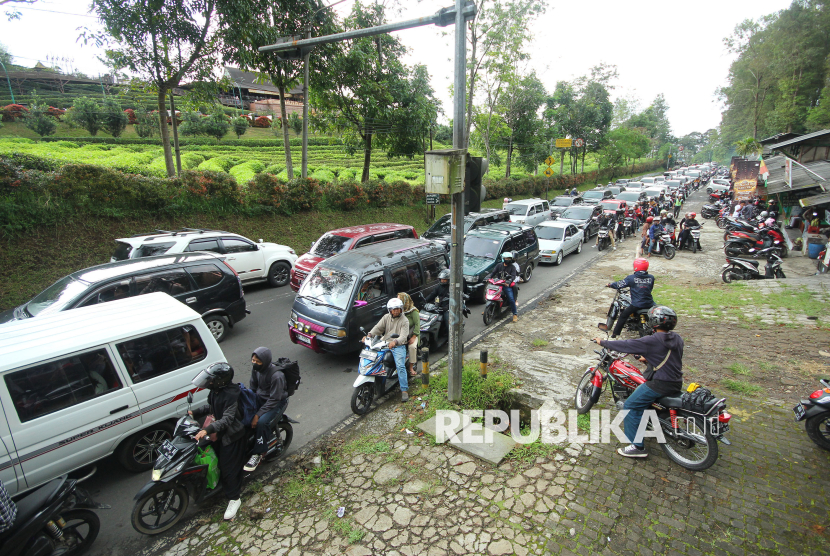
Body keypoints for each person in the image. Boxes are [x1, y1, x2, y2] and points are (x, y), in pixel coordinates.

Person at [592, 306, 683, 459]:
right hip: (676, 381)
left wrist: (603, 342)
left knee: (630, 406)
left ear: (653, 322)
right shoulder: (677, 338)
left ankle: (637, 447)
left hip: (660, 383)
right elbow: (670, 357)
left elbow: (627, 345)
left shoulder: (652, 340)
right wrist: (648, 358)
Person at [190, 362, 246, 520]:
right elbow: (212, 408)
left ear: (221, 381)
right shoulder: (215, 392)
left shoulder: (231, 395)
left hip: (232, 435)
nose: (209, 382)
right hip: (219, 432)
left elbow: (227, 419)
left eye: (212, 380)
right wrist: (194, 412)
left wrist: (207, 430)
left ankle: (234, 498)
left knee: (228, 469)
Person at [243, 347, 288, 472]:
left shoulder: (277, 376)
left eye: (258, 362)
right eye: (253, 360)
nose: (255, 363)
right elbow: (253, 387)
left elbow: (274, 399)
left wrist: (258, 414)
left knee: (262, 422)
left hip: (276, 402)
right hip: (261, 398)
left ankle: (258, 453)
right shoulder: (256, 370)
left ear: (265, 361)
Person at [364, 298, 410, 401]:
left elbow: (403, 336)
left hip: (399, 345)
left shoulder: (405, 321)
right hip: (384, 343)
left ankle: (404, 390)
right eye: (393, 309)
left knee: (400, 366)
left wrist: (395, 342)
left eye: (397, 309)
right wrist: (369, 335)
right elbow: (378, 328)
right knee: (373, 358)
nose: (396, 311)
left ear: (401, 309)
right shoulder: (386, 317)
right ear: (390, 310)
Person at [606, 258, 656, 338]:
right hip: (650, 304)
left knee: (623, 316)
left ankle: (615, 334)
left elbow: (619, 284)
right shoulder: (651, 277)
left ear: (636, 266)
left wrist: (610, 285)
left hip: (637, 304)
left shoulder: (631, 278)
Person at [486, 252, 518, 322]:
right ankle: (488, 308)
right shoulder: (499, 265)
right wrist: (488, 278)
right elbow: (493, 273)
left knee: (511, 299)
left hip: (506, 285)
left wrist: (508, 282)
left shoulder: (512, 267)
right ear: (503, 259)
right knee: (490, 295)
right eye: (506, 258)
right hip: (498, 283)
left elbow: (513, 276)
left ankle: (515, 314)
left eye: (509, 258)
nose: (507, 260)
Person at [398, 292, 420, 378]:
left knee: (412, 347)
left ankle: (411, 367)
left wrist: (414, 337)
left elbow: (417, 325)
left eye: (400, 300)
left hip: (412, 334)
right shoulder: (398, 311)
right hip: (401, 335)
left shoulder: (413, 311)